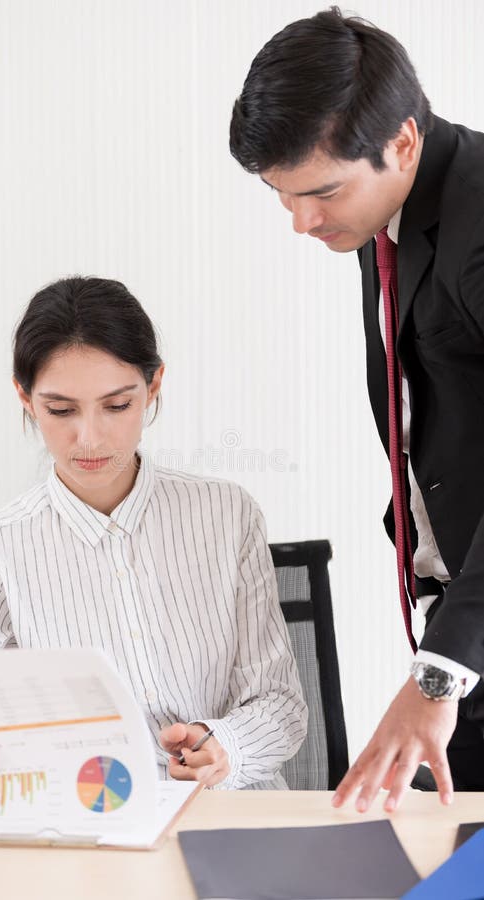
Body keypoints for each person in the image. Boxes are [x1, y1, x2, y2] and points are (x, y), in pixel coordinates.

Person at [0, 275, 307, 798]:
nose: (88, 437)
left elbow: (280, 704)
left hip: (229, 819)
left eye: (116, 405)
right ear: (25, 397)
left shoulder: (228, 515)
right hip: (88, 834)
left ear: (153, 387)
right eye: (61, 410)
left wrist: (225, 746)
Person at [229, 7, 484, 811]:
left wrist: (439, 672)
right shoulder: (379, 210)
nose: (301, 222)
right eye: (282, 196)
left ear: (402, 142)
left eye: (319, 193)